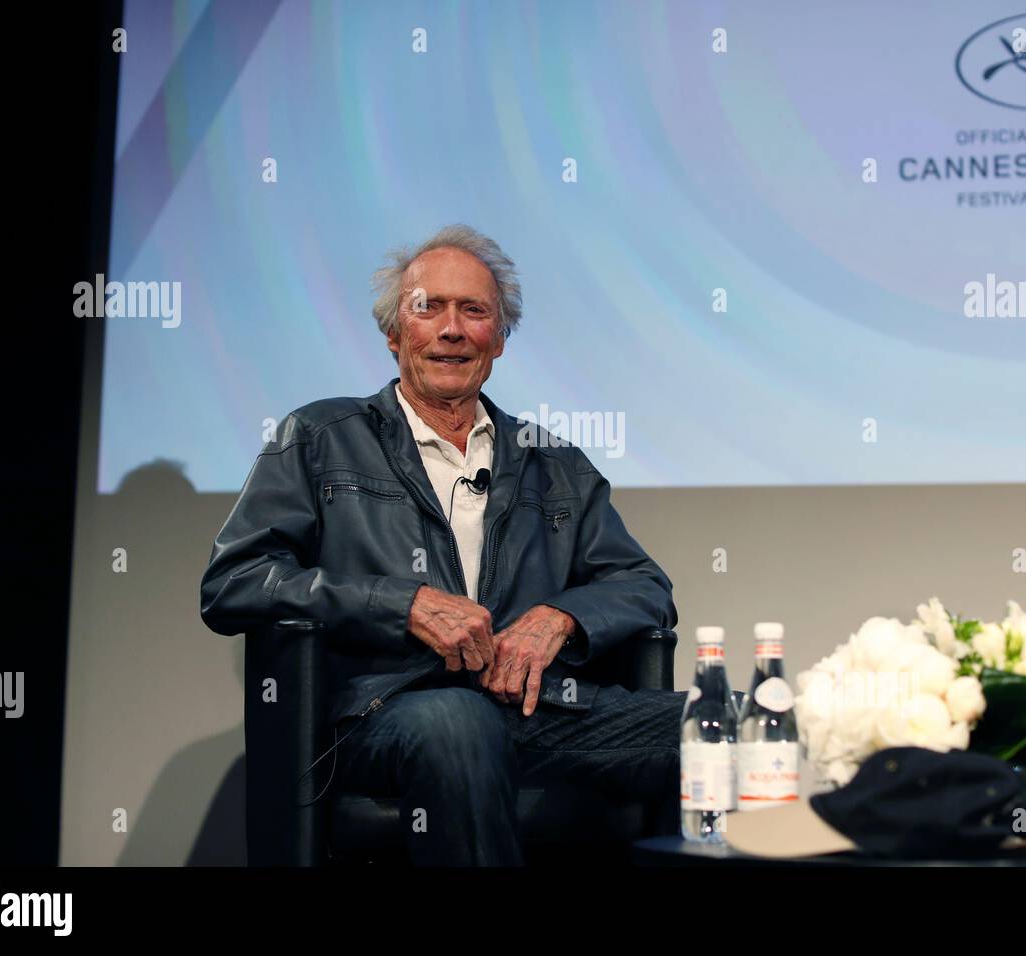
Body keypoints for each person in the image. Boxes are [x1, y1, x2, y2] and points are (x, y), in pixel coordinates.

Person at [200, 224, 684, 865]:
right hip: (382, 710)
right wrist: (401, 604)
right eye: (429, 308)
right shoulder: (319, 438)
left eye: (474, 311)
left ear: (500, 340)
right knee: (460, 720)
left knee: (715, 728)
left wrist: (563, 617)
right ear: (395, 334)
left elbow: (647, 587)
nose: (452, 329)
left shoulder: (554, 463)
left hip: (538, 708)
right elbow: (234, 579)